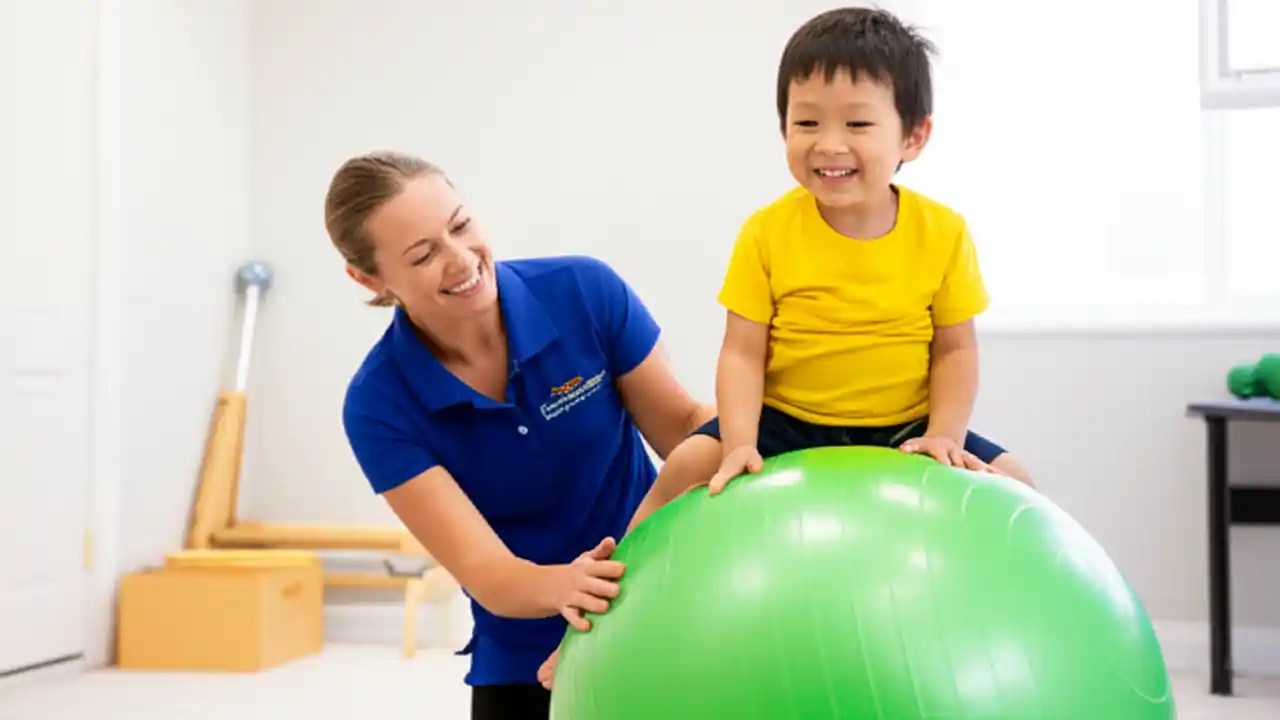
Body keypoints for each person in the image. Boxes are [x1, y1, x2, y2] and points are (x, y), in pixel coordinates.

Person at [324, 150, 713, 719]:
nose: (461, 261)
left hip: (661, 606)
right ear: (369, 278)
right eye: (424, 254)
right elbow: (491, 575)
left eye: (459, 226)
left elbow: (682, 428)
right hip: (525, 656)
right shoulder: (379, 404)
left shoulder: (583, 290)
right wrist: (569, 588)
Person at [624, 6, 1035, 534]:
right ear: (783, 128)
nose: (829, 143)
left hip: (901, 426)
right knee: (684, 465)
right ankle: (614, 588)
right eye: (807, 122)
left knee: (1015, 478)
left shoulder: (944, 232)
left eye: (858, 123)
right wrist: (741, 441)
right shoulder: (765, 232)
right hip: (785, 423)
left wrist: (944, 435)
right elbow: (743, 352)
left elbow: (955, 348)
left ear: (914, 136)